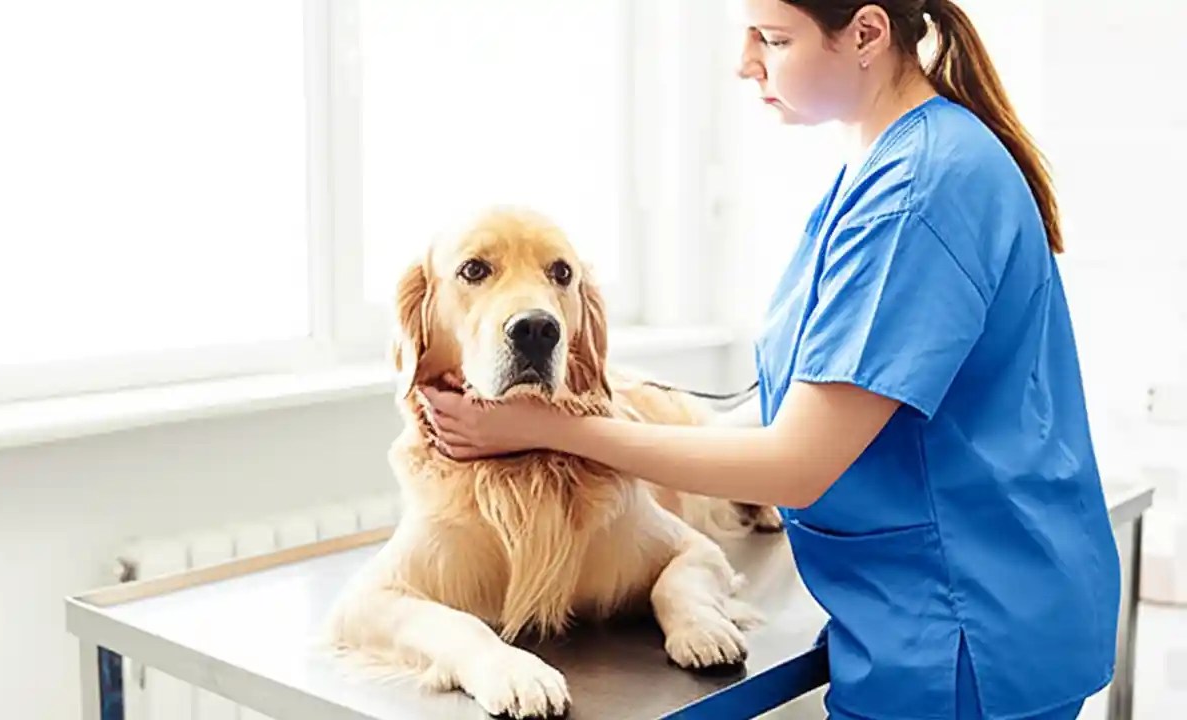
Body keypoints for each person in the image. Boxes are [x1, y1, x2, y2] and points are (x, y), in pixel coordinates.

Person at [419, 1, 1122, 718]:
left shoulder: (920, 190)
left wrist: (550, 429)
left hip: (963, 628)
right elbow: (816, 397)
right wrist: (614, 405)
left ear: (868, 34)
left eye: (775, 39)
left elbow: (797, 461)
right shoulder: (894, 167)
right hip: (949, 608)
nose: (745, 62)